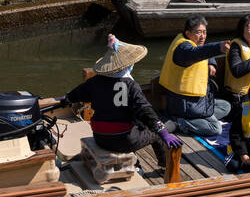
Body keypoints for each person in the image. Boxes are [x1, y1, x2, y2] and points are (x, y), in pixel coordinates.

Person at [63, 35, 182, 164]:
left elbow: (74, 95)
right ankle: (164, 163)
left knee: (135, 122)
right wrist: (162, 132)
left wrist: (66, 99)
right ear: (127, 65)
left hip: (100, 137)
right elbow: (145, 110)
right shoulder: (131, 85)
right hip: (124, 140)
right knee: (157, 132)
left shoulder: (94, 82)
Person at [157, 16, 232, 137]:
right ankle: (179, 123)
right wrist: (218, 47)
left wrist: (211, 62)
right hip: (184, 103)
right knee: (215, 128)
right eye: (198, 32)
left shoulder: (193, 42)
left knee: (226, 106)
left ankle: (196, 121)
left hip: (196, 102)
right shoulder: (183, 49)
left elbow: (202, 50)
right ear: (188, 33)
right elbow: (196, 53)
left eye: (205, 32)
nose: (202, 36)